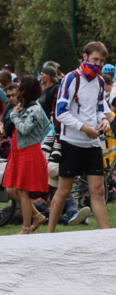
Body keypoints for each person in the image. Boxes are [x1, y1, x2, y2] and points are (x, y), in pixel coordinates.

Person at [47, 41, 113, 232]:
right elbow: (61, 112)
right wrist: (84, 127)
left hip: (93, 142)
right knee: (64, 189)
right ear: (85, 56)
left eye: (100, 61)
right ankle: (49, 232)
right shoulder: (71, 78)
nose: (97, 64)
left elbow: (100, 107)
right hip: (72, 142)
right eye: (94, 59)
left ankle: (106, 235)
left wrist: (104, 121)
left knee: (98, 190)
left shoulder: (100, 82)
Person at [0, 75, 50, 234]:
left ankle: (26, 228)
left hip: (28, 152)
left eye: (21, 88)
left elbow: (25, 128)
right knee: (11, 189)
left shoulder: (35, 109)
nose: (18, 91)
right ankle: (37, 215)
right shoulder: (24, 107)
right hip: (18, 152)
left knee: (22, 190)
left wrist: (14, 115)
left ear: (27, 91)